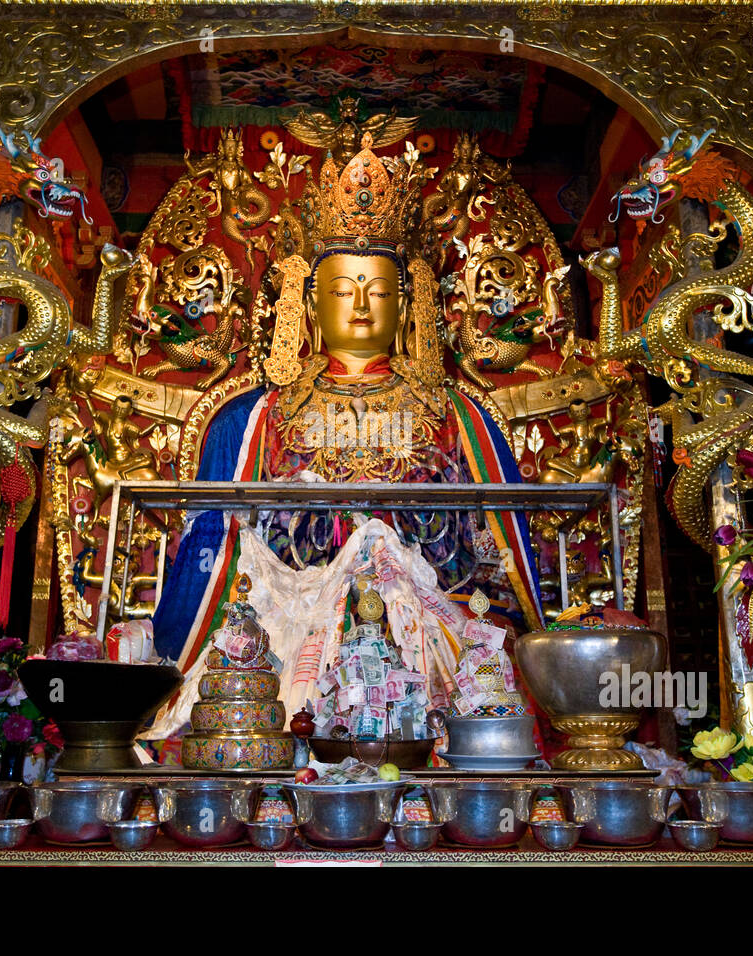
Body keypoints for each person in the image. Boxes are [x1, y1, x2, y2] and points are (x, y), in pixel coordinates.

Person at [147, 134, 544, 737]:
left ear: (410, 304)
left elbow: (500, 553)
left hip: (432, 639)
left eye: (379, 289)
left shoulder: (458, 415)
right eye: (342, 289)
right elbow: (213, 553)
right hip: (286, 637)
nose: (361, 304)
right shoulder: (250, 422)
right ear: (307, 304)